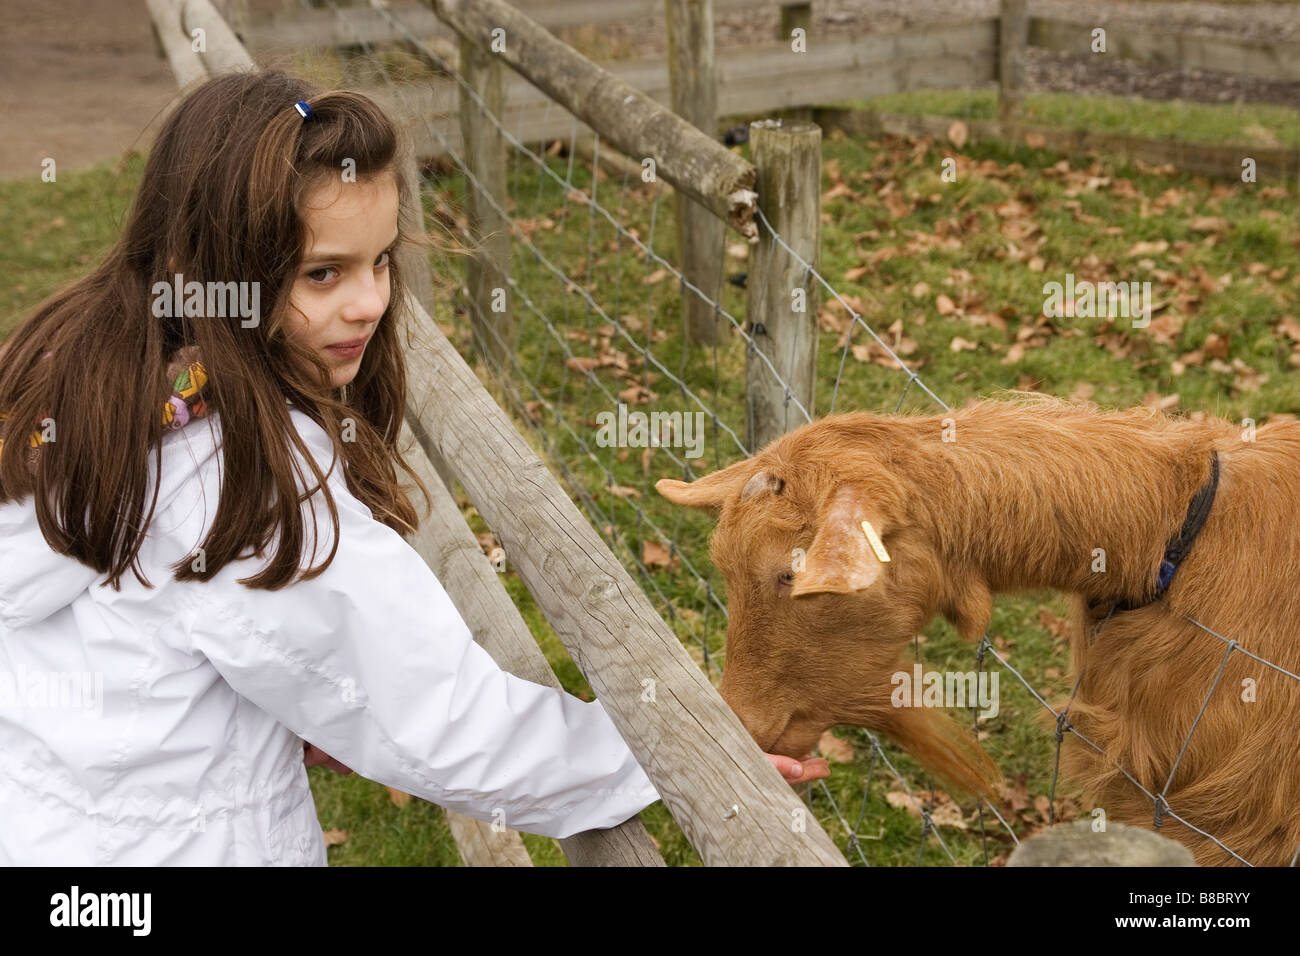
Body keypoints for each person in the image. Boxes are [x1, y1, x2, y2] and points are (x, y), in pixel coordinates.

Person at [0, 71, 826, 866]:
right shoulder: (245, 484)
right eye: (324, 273)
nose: (370, 302)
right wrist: (678, 755)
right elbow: (443, 721)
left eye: (382, 260)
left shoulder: (93, 379)